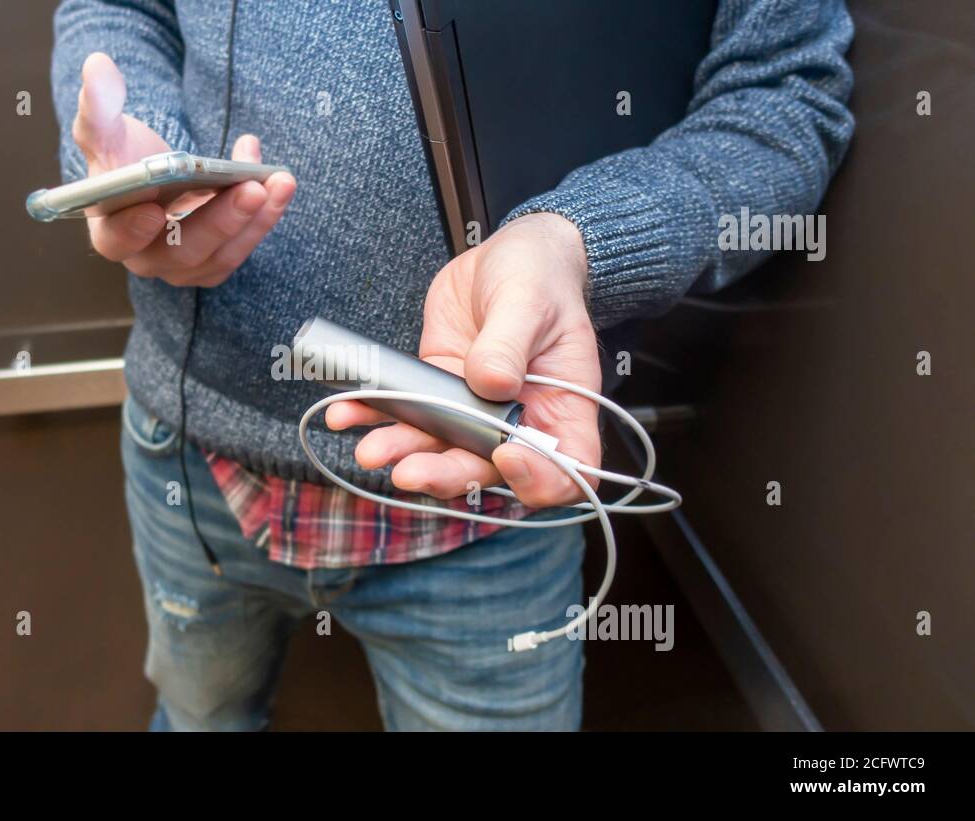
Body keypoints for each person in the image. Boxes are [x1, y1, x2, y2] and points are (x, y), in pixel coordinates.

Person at [49, 0, 854, 730]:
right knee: (198, 714)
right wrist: (139, 166)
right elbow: (119, 12)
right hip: (191, 462)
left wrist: (579, 241)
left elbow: (783, 96)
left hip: (495, 493)